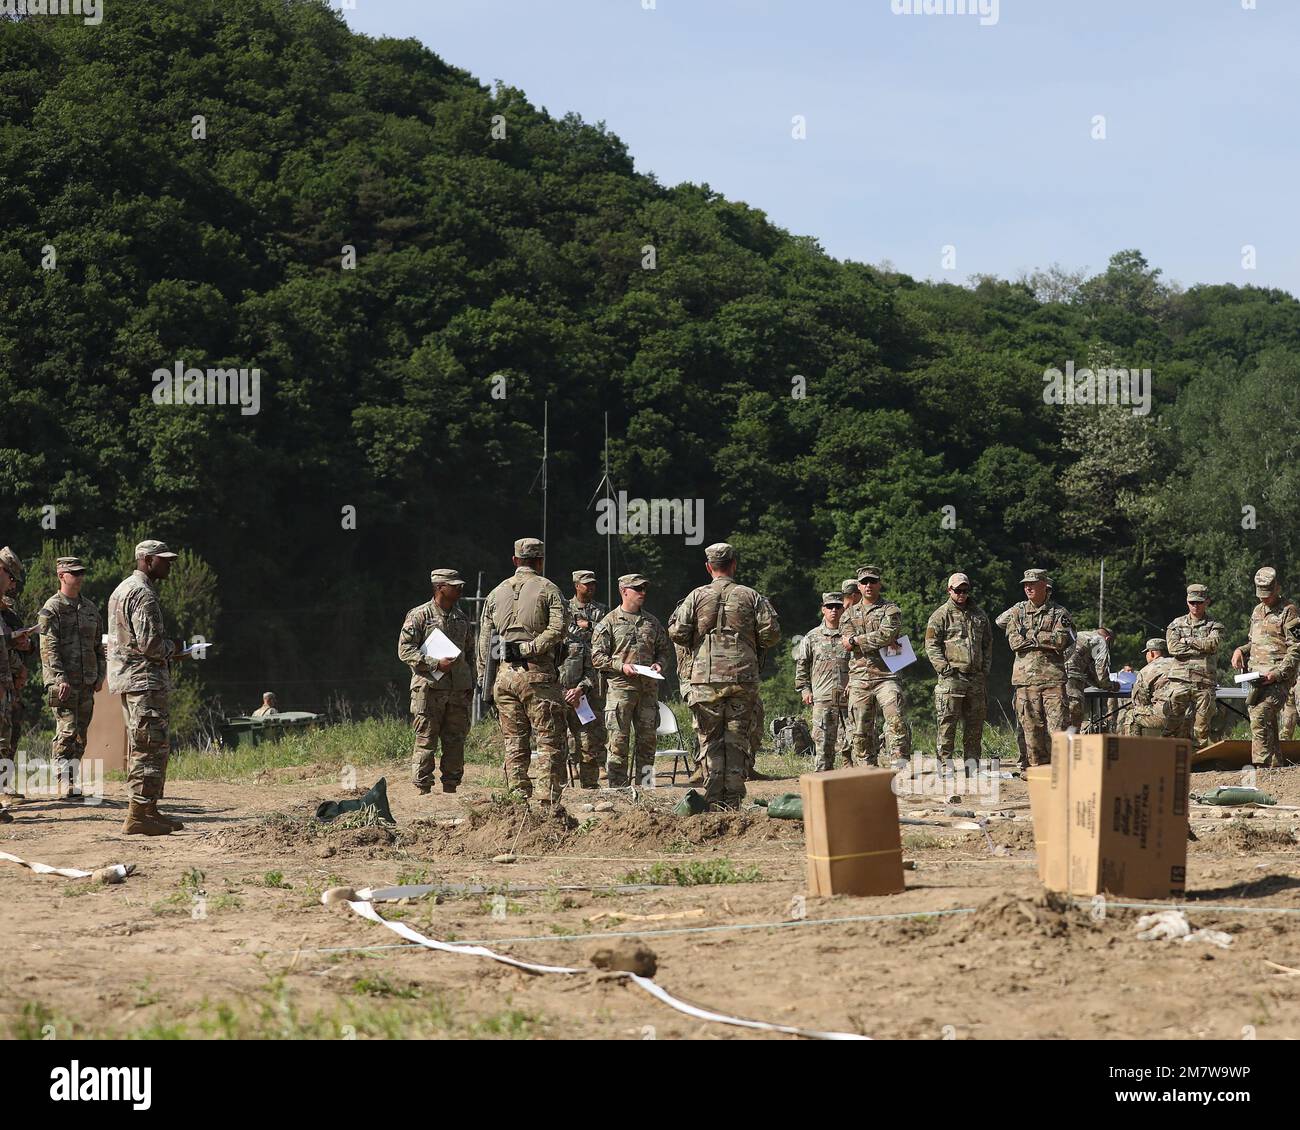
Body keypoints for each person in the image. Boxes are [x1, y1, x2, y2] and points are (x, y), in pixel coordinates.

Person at [668, 542, 780, 810]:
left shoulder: (695, 597)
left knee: (710, 740)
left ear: (708, 567)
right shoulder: (751, 596)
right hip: (742, 677)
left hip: (705, 678)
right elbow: (772, 633)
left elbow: (677, 633)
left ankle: (714, 798)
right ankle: (733, 802)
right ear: (734, 565)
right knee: (737, 739)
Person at [476, 538, 570, 814]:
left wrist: (486, 678)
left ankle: (516, 803)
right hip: (537, 675)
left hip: (503, 678)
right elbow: (558, 629)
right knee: (549, 739)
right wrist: (529, 648)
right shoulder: (549, 589)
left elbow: (484, 642)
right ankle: (549, 804)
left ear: (515, 560)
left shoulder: (495, 594)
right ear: (540, 561)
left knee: (514, 741)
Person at [106, 540, 194, 835]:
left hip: (131, 680)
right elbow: (150, 645)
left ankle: (148, 810)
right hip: (144, 681)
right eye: (163, 560)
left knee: (144, 745)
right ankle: (138, 814)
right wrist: (177, 648)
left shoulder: (121, 589)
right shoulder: (142, 594)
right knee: (150, 747)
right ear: (146, 560)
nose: (169, 564)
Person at [399, 568, 475, 795]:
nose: (460, 589)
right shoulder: (419, 615)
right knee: (426, 739)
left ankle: (451, 788)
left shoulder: (461, 618)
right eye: (454, 585)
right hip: (429, 690)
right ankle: (423, 789)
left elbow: (469, 653)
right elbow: (405, 650)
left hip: (457, 692)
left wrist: (470, 683)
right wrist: (433, 662)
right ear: (440, 587)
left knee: (456, 741)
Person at [591, 573, 671, 788]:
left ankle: (645, 787)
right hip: (621, 691)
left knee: (647, 743)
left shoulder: (652, 623)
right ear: (624, 591)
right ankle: (618, 790)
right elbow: (597, 657)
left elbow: (664, 651)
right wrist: (621, 666)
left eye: (644, 589)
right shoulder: (608, 623)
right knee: (618, 743)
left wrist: (659, 664)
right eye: (638, 589)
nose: (642, 593)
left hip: (647, 692)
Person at [38, 557, 106, 797]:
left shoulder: (90, 609)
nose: (79, 577)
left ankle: (72, 779)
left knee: (81, 733)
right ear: (61, 575)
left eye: (81, 573)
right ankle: (62, 781)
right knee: (67, 730)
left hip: (86, 682)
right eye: (74, 573)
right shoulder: (52, 608)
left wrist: (100, 674)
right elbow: (49, 648)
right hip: (63, 683)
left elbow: (99, 646)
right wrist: (59, 678)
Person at [1000, 568, 1074, 769]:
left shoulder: (1060, 613)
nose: (1028, 587)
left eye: (1032, 584)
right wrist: (1043, 637)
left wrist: (1030, 635)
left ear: (1044, 586)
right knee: (1031, 731)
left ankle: (1062, 771)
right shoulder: (1017, 611)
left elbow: (1060, 640)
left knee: (1058, 730)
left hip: (1053, 681)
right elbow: (1014, 642)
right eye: (1025, 584)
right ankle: (1036, 773)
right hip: (1025, 682)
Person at [1231, 566, 1300, 768]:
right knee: (1264, 719)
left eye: (1268, 595)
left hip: (1278, 676)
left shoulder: (1289, 611)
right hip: (1256, 676)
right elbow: (1255, 643)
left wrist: (1277, 674)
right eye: (1261, 595)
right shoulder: (1256, 611)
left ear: (1277, 588)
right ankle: (1275, 766)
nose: (1265, 599)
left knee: (1261, 714)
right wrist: (1240, 651)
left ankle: (1261, 767)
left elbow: (1296, 649)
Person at [841, 564, 910, 766]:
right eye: (864, 582)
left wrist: (857, 641)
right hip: (859, 678)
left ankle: (900, 765)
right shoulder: (848, 614)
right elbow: (846, 643)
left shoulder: (891, 609)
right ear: (859, 587)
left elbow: (887, 634)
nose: (868, 585)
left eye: (872, 581)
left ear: (879, 584)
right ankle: (867, 768)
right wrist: (859, 642)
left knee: (895, 719)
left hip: (886, 676)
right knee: (860, 729)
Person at [923, 572, 993, 762]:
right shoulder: (940, 615)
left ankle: (972, 765)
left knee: (975, 725)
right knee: (947, 724)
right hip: (952, 678)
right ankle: (945, 764)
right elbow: (931, 645)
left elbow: (987, 643)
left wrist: (984, 669)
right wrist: (944, 668)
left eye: (965, 590)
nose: (962, 594)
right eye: (958, 590)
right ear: (949, 590)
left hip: (975, 679)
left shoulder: (979, 615)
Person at [794, 592, 852, 771]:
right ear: (823, 610)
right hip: (823, 699)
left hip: (848, 699)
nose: (834, 610)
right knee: (823, 746)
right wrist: (804, 690)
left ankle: (851, 786)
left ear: (843, 609)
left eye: (837, 606)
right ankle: (822, 787)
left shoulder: (851, 637)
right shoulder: (811, 637)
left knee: (850, 746)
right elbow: (802, 666)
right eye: (830, 607)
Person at [561, 570, 606, 788]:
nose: (590, 588)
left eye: (593, 584)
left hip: (593, 674)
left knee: (592, 726)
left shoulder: (601, 610)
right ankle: (570, 768)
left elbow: (608, 633)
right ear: (576, 585)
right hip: (568, 669)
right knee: (563, 731)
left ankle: (594, 771)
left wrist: (590, 626)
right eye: (586, 584)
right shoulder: (564, 608)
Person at [1166, 584, 1223, 746]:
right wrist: (1201, 647)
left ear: (1207, 602)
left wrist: (1188, 641)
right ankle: (1166, 757)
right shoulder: (1176, 624)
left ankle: (1199, 760)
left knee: (1202, 726)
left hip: (1204, 681)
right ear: (1187, 602)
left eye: (1199, 602)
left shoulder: (1215, 625)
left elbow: (1213, 644)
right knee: (1173, 722)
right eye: (1192, 602)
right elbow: (1173, 647)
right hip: (1180, 680)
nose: (1195, 606)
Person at [1118, 639, 1195, 737]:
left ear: (1151, 653)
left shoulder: (1147, 670)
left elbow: (1140, 701)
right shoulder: (1183, 665)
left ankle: (1133, 750)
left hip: (1166, 716)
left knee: (1131, 715)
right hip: (1188, 715)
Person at [1065, 626, 1118, 731]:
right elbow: (1101, 673)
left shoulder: (1080, 635)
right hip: (1072, 680)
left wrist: (1097, 683)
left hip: (1056, 677)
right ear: (1108, 639)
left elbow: (1089, 671)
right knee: (1074, 720)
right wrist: (1111, 685)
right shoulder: (1100, 640)